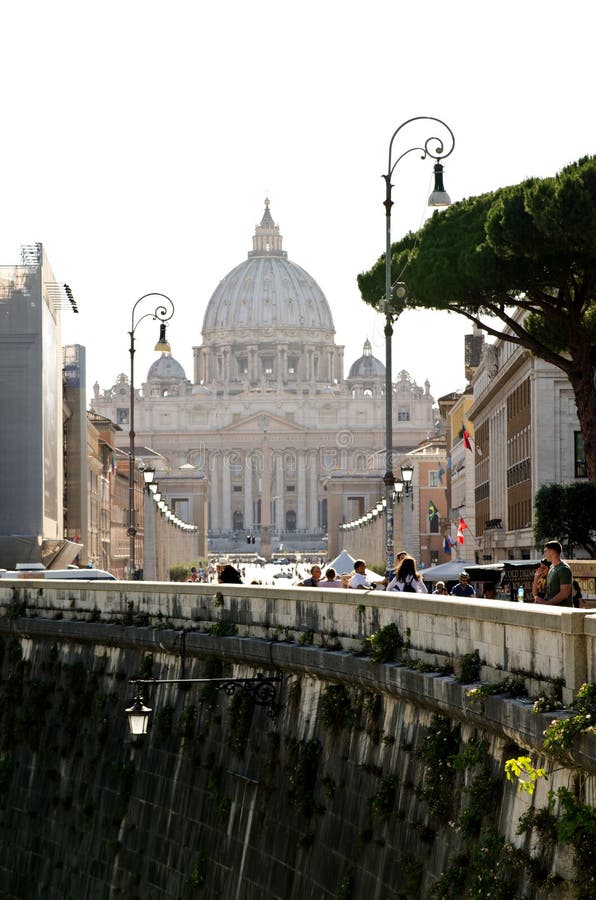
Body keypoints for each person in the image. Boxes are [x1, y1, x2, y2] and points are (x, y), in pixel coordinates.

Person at [537, 541, 572, 607]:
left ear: (552, 552)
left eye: (545, 551)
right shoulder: (551, 567)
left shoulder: (564, 569)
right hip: (552, 610)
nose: (544, 554)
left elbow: (564, 594)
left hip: (563, 611)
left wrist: (546, 603)